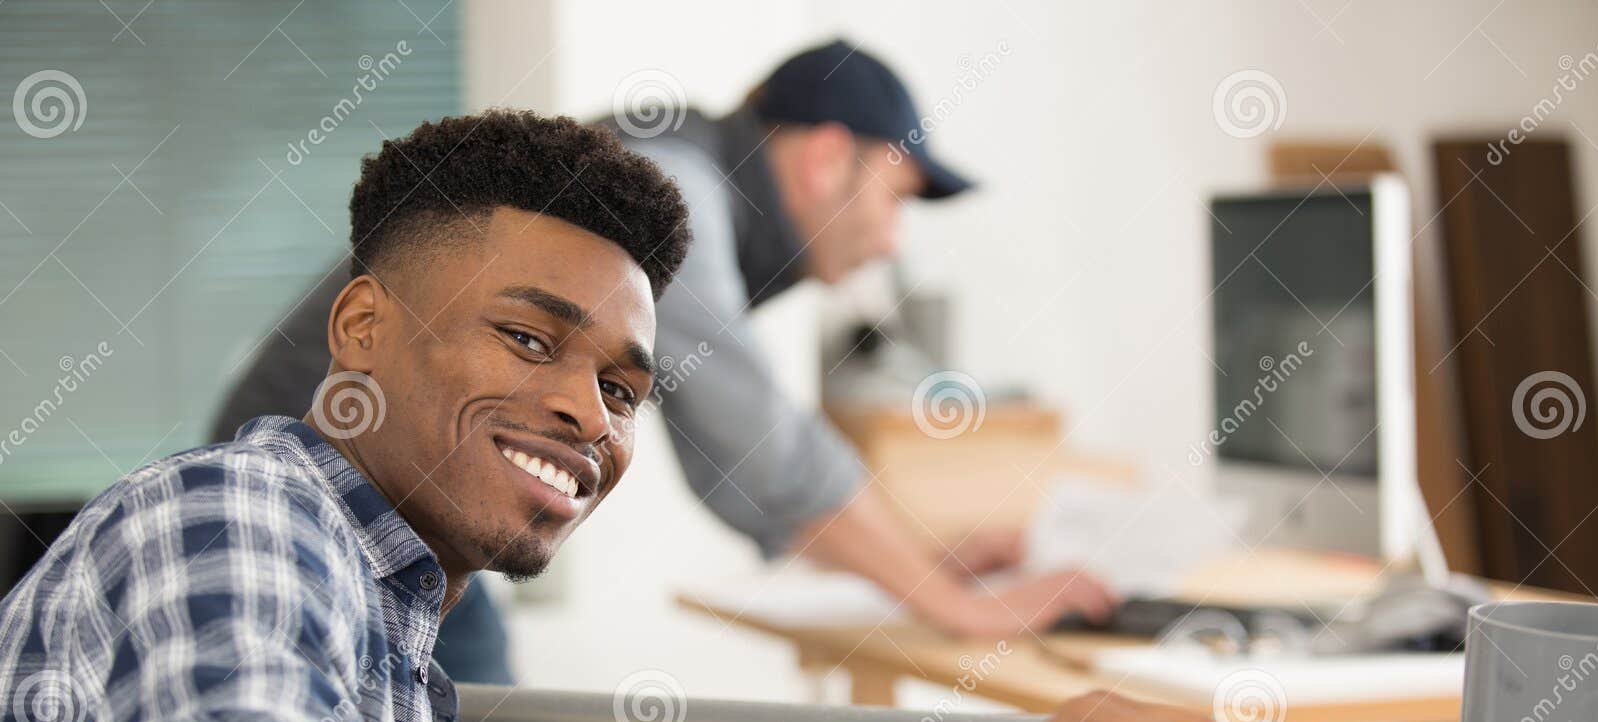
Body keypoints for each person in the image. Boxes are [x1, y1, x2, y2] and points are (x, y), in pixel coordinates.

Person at [0, 111, 1305, 722]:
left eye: (624, 387)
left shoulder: (400, 653)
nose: (588, 411)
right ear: (361, 330)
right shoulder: (225, 519)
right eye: (529, 337)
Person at [210, 40, 1117, 685]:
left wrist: (929, 561)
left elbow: (754, 459)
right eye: (896, 195)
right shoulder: (676, 179)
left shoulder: (683, 181)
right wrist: (960, 607)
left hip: (386, 515)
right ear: (826, 158)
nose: (892, 238)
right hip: (321, 506)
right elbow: (762, 448)